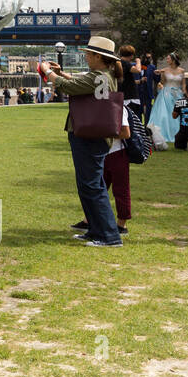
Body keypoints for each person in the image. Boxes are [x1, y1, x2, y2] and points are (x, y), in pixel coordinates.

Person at [42, 35, 125, 247]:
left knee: (93, 185)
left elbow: (68, 87)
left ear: (99, 56)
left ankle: (109, 235)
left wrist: (47, 71)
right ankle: (96, 230)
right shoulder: (102, 75)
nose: (86, 57)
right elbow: (79, 83)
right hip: (89, 135)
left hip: (91, 136)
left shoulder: (100, 77)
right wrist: (59, 74)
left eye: (88, 54)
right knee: (88, 184)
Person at [73, 45, 139, 236]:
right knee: (97, 189)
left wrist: (100, 131)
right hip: (104, 151)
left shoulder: (116, 107)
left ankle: (119, 225)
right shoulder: (103, 98)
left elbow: (125, 132)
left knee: (113, 189)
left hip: (116, 152)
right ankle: (91, 222)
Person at [147, 53, 184, 149]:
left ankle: (179, 133)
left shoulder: (182, 71)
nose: (167, 60)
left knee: (178, 114)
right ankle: (163, 134)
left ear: (173, 59)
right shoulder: (165, 70)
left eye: (168, 58)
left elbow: (183, 84)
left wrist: (185, 94)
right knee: (164, 115)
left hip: (178, 94)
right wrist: (160, 84)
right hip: (166, 93)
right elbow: (162, 82)